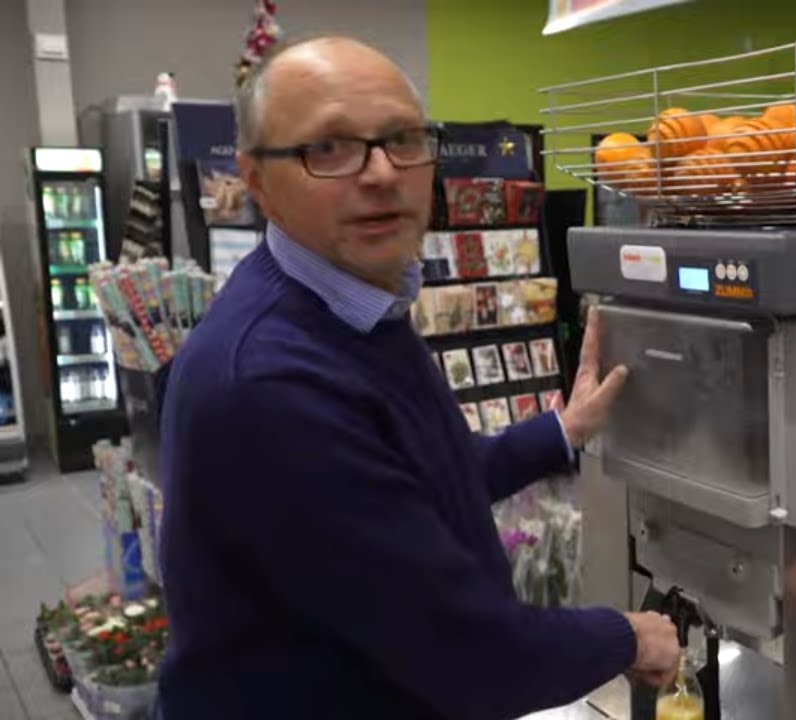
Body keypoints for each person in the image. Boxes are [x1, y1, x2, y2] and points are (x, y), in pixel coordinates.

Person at [157, 36, 679, 719]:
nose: (381, 173)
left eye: (403, 138)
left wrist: (564, 429)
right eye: (330, 148)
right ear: (256, 181)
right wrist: (627, 636)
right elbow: (467, 654)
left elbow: (427, 476)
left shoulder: (355, 302)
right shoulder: (271, 383)